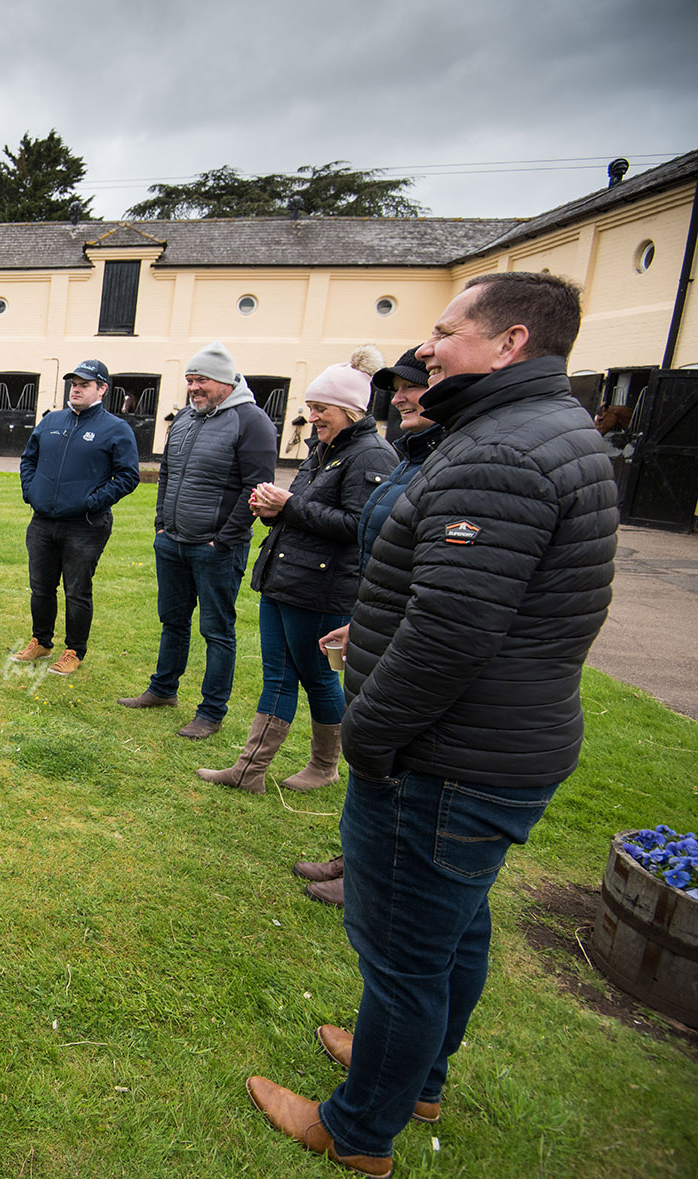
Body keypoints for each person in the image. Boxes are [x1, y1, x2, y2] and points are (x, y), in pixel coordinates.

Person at [247, 272, 618, 1176]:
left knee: (404, 952)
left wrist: (368, 736)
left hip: (447, 754)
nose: (429, 348)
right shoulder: (535, 432)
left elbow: (454, 633)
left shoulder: (500, 453)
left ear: (511, 342)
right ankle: (418, 1077)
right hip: (492, 745)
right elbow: (470, 599)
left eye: (448, 330)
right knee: (453, 926)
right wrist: (367, 626)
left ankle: (359, 1128)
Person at [198, 347, 396, 795]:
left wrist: (290, 506)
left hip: (323, 589)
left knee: (318, 677)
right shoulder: (323, 450)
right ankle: (250, 770)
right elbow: (304, 512)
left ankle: (324, 765)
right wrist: (270, 510)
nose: (313, 417)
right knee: (280, 677)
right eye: (310, 408)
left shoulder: (371, 456)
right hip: (286, 580)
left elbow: (360, 527)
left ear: (349, 409)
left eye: (321, 409)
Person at [294, 346, 440, 907]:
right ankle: (358, 855)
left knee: (393, 754)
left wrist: (289, 509)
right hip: (377, 620)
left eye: (420, 382)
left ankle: (372, 871)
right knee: (378, 756)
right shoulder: (414, 452)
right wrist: (367, 620)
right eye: (396, 387)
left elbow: (361, 530)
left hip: (409, 641)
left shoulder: (385, 453)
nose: (399, 397)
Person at [119, 342, 277, 736]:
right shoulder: (186, 419)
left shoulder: (252, 420)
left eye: (201, 380)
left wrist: (223, 540)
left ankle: (211, 711)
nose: (194, 388)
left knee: (216, 631)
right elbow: (166, 473)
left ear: (224, 381)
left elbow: (256, 486)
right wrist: (160, 525)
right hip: (172, 541)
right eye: (190, 380)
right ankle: (163, 689)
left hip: (215, 548)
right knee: (172, 620)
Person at [10, 360, 140, 675]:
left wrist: (91, 502)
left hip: (86, 525)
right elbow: (29, 459)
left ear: (102, 389)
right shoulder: (52, 421)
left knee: (76, 589)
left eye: (84, 384)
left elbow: (127, 476)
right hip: (43, 521)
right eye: (74, 384)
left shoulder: (116, 429)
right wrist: (32, 492)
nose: (77, 389)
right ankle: (41, 641)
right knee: (40, 586)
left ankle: (73, 651)